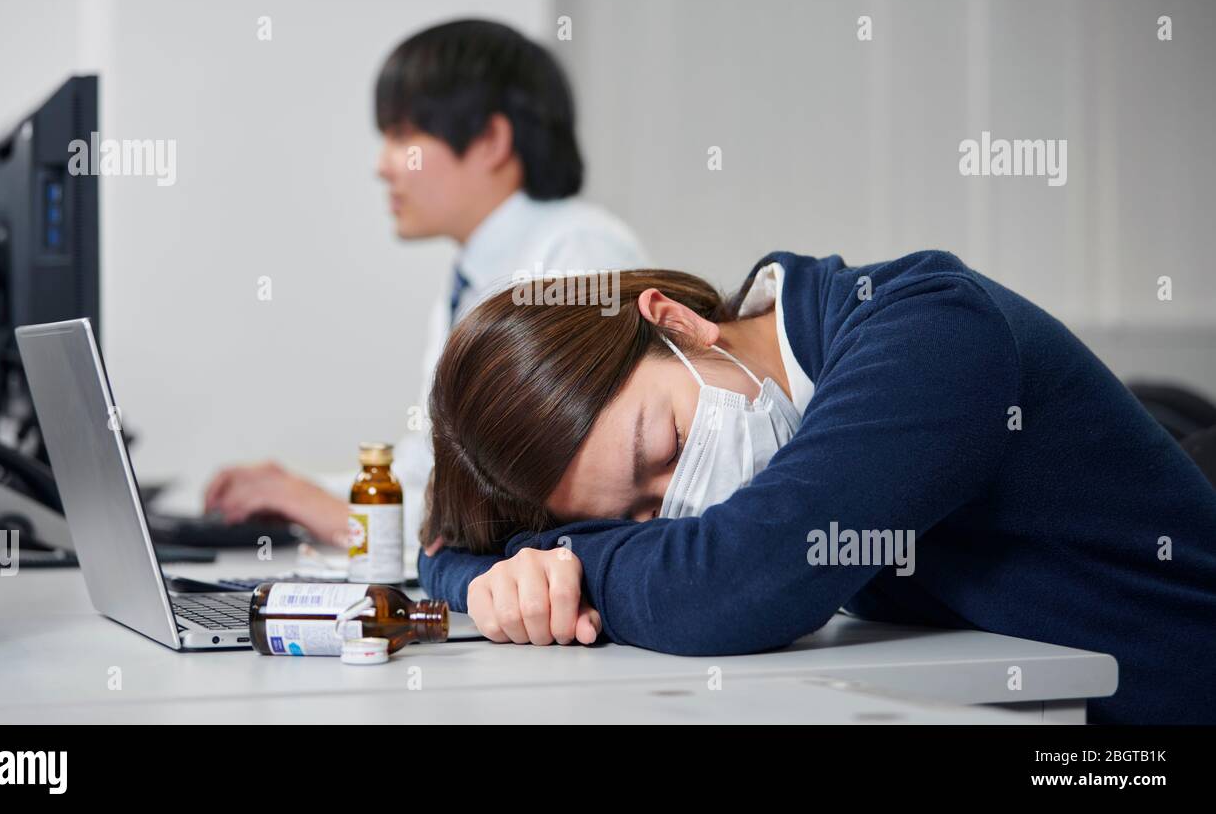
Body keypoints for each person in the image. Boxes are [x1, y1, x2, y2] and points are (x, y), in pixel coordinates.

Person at [419, 249, 1216, 725]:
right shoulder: (784, 392)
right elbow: (450, 547)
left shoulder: (933, 332)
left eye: (661, 447)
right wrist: (498, 578)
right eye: (639, 513)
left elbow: (734, 581)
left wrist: (569, 566)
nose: (674, 505)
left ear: (678, 325)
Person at [203, 19, 646, 575]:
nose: (382, 165)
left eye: (404, 135)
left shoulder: (579, 253)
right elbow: (431, 473)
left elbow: (522, 507)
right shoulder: (473, 272)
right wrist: (300, 490)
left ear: (490, 140)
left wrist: (329, 511)